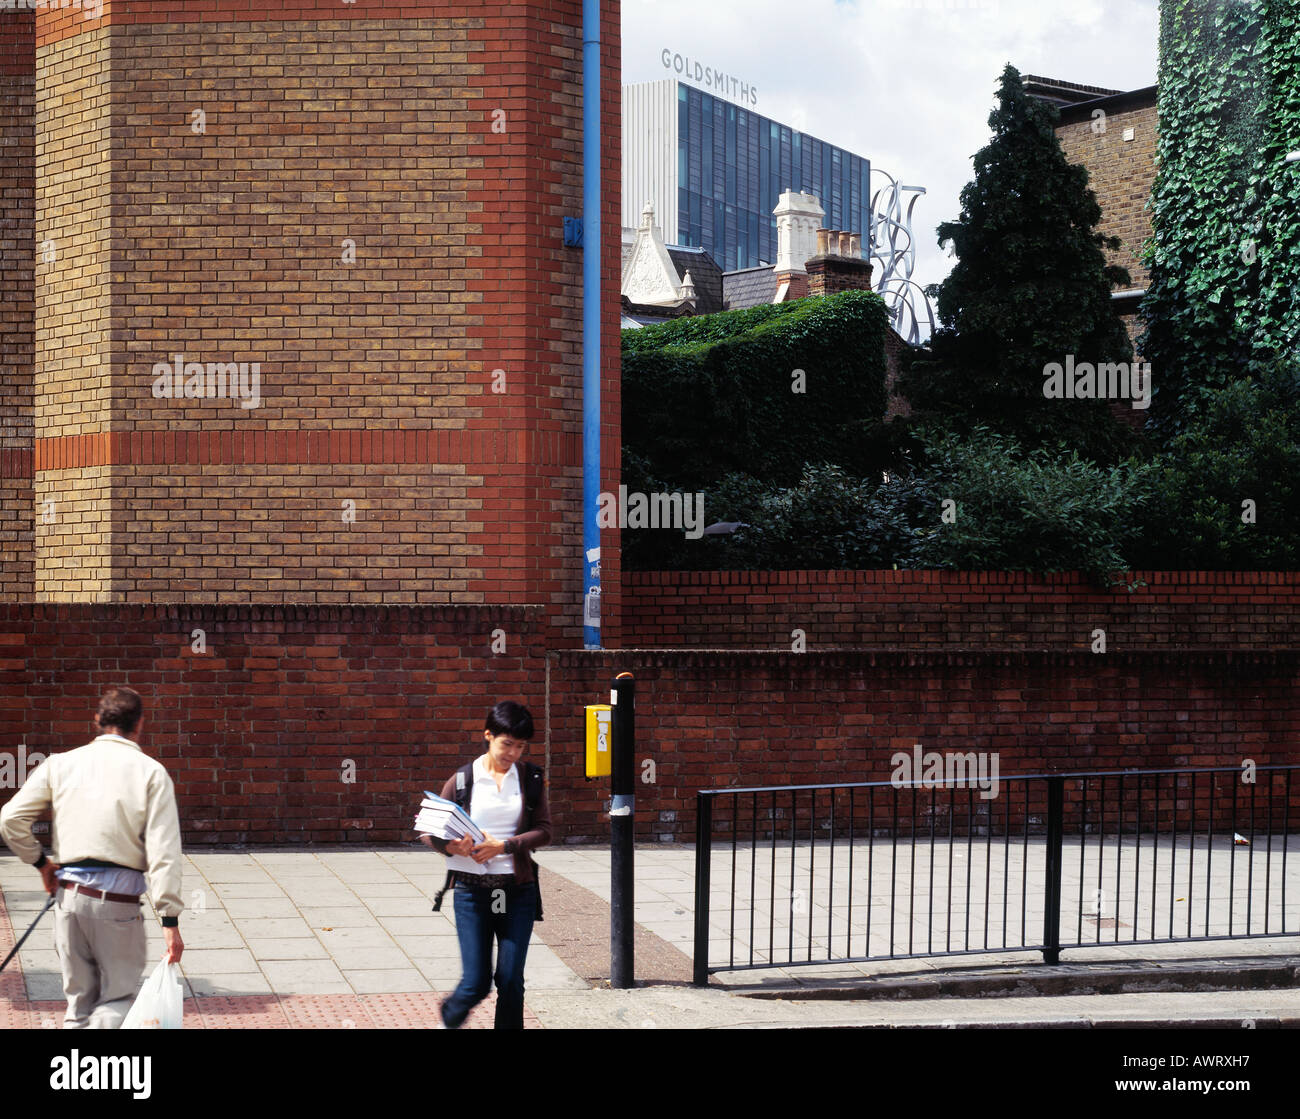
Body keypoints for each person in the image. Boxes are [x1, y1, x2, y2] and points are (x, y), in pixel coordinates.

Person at [0, 686, 184, 1028]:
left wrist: (42, 863)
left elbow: (10, 819)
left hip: (68, 900)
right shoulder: (151, 773)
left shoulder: (60, 765)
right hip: (118, 904)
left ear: (97, 720)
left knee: (79, 1007)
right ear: (140, 724)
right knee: (116, 1001)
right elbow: (164, 852)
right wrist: (169, 920)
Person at [422, 700, 551, 1030]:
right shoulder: (464, 780)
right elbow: (430, 831)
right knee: (476, 983)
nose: (513, 753)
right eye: (507, 743)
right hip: (472, 893)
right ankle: (448, 1022)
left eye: (520, 746)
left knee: (510, 980)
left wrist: (504, 846)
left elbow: (545, 831)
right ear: (488, 736)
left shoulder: (531, 778)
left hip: (516, 891)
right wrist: (451, 845)